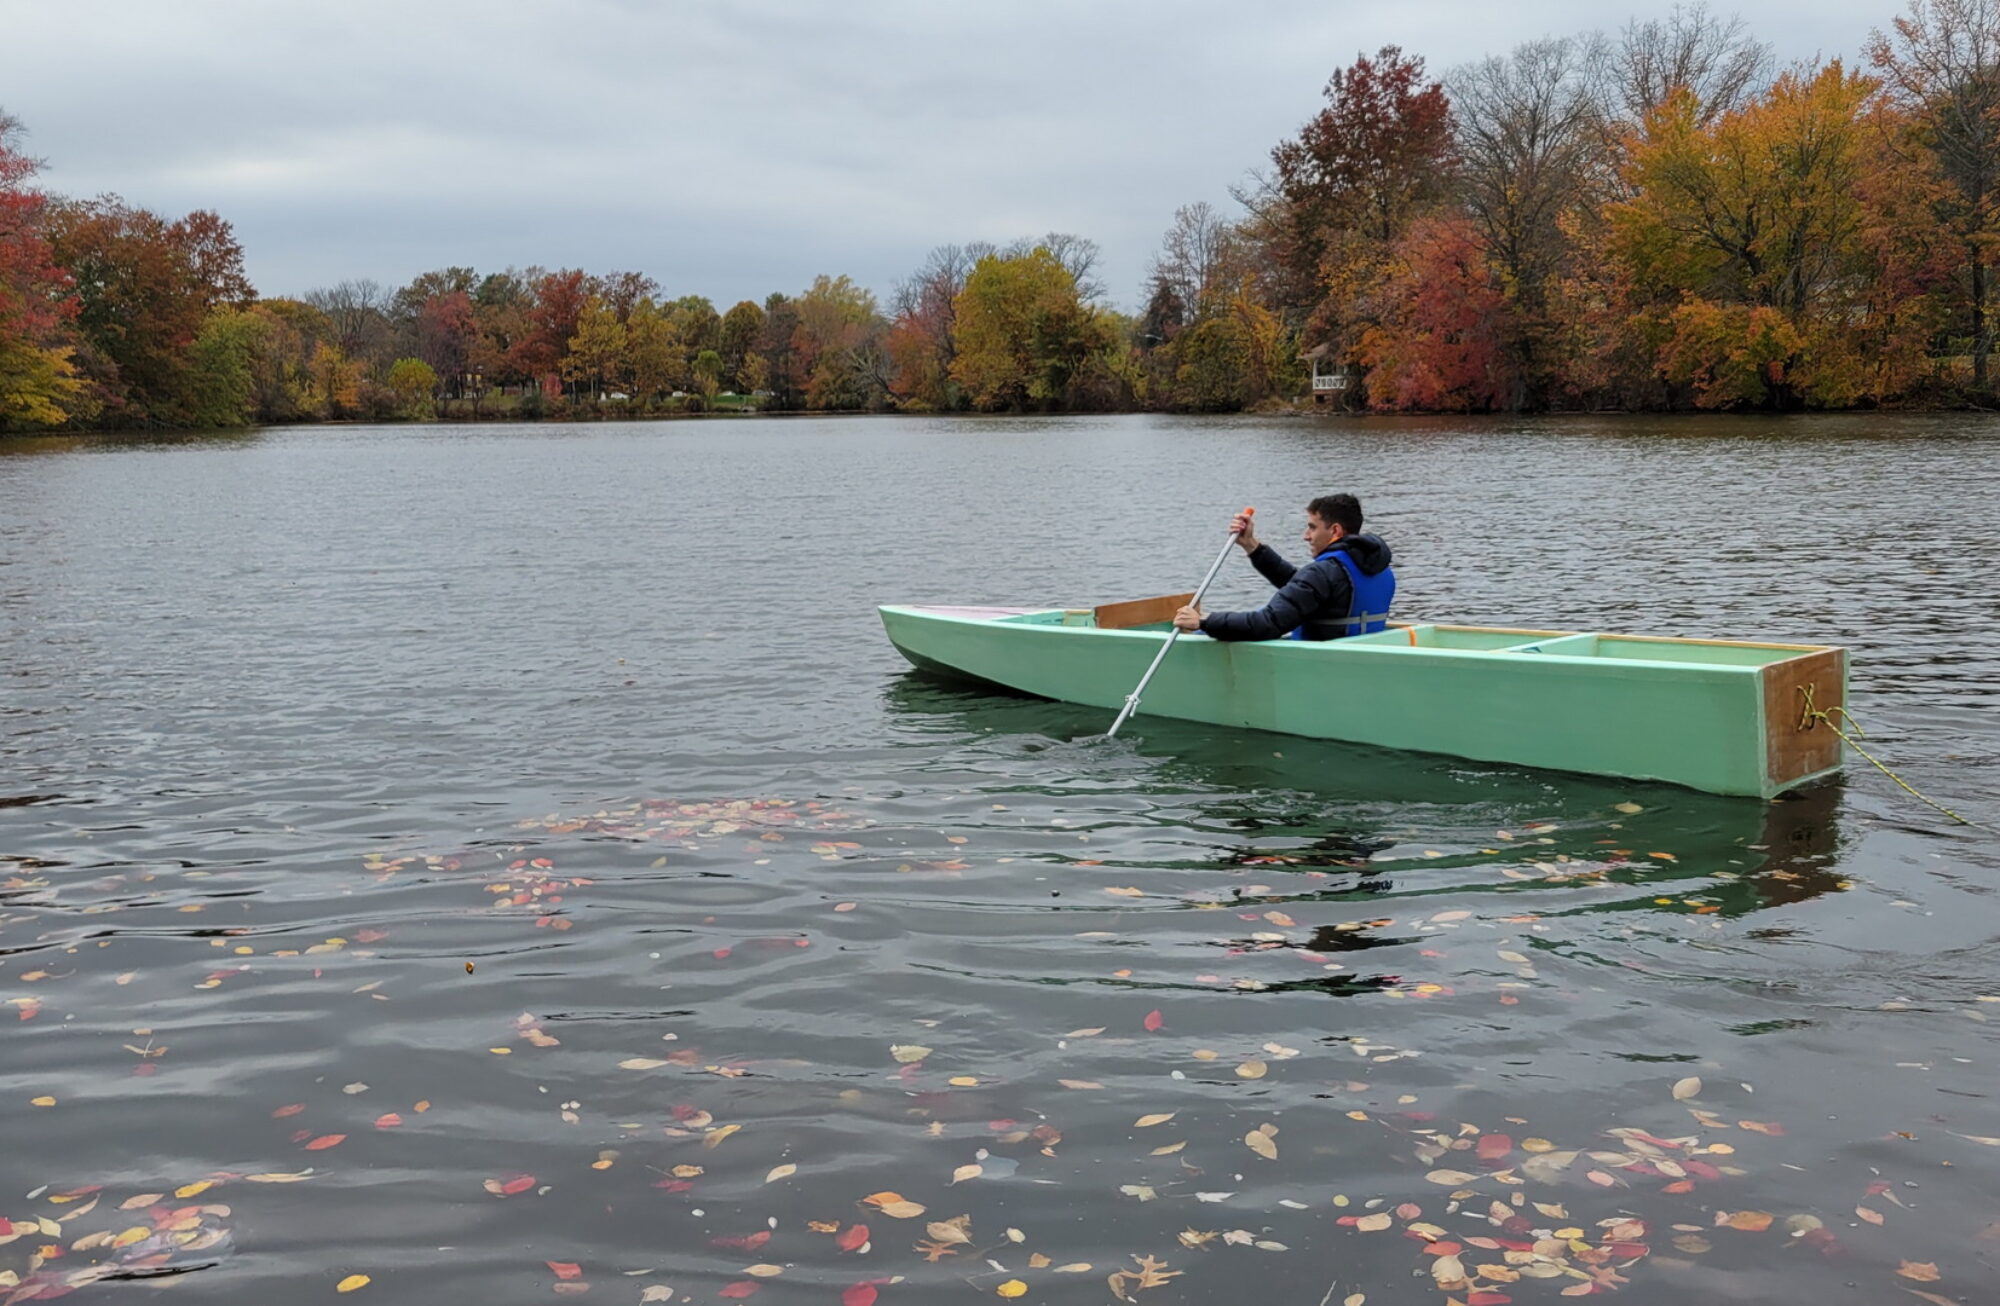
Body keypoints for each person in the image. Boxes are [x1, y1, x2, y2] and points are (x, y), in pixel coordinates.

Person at [1172, 494, 1395, 641]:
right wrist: (1251, 545)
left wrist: (1204, 621)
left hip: (1320, 666)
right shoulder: (1379, 569)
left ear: (1335, 531)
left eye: (1312, 527)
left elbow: (1267, 624)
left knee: (1202, 633)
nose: (1305, 536)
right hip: (1355, 661)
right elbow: (1302, 587)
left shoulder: (1324, 573)